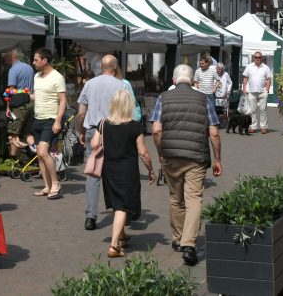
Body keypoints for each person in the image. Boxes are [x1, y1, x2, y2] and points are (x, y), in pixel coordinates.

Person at [151, 64, 222, 266]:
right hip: (196, 157)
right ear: (193, 81)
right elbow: (214, 132)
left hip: (171, 156)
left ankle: (178, 237)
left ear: (174, 81)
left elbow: (156, 130)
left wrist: (160, 153)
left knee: (175, 197)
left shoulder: (163, 98)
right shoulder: (204, 99)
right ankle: (189, 245)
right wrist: (217, 159)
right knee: (194, 199)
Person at [91, 89, 155, 258]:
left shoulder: (103, 123)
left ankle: (122, 236)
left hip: (109, 169)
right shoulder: (135, 126)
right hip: (127, 170)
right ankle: (114, 246)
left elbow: (94, 144)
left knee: (117, 203)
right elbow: (143, 152)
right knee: (122, 206)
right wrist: (151, 170)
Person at [77, 54, 125, 229]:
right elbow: (126, 113)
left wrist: (81, 131)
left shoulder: (89, 84)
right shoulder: (121, 85)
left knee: (93, 174)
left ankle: (90, 217)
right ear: (115, 67)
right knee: (115, 173)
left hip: (93, 130)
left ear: (101, 67)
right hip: (114, 131)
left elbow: (81, 113)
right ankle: (118, 212)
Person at [30, 47, 66, 200]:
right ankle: (47, 186)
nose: (33, 62)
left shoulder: (57, 77)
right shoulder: (37, 76)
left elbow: (63, 101)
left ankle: (56, 183)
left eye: (36, 60)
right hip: (37, 119)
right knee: (39, 155)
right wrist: (21, 96)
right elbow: (37, 96)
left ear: (44, 60)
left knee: (44, 152)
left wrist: (58, 121)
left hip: (50, 119)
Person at [5, 49, 35, 160]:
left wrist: (8, 107)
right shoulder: (29, 67)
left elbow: (11, 90)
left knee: (13, 134)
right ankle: (35, 152)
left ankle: (13, 161)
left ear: (12, 56)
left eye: (6, 58)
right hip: (30, 104)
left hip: (19, 105)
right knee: (27, 133)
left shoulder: (13, 70)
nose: (5, 61)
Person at [241, 52, 273, 134]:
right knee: (252, 110)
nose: (257, 58)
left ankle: (263, 127)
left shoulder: (265, 67)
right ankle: (253, 127)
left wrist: (267, 90)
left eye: (259, 57)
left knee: (263, 110)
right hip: (251, 91)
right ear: (253, 58)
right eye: (256, 57)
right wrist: (244, 88)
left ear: (262, 58)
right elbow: (245, 78)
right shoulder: (249, 66)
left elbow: (269, 79)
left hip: (262, 92)